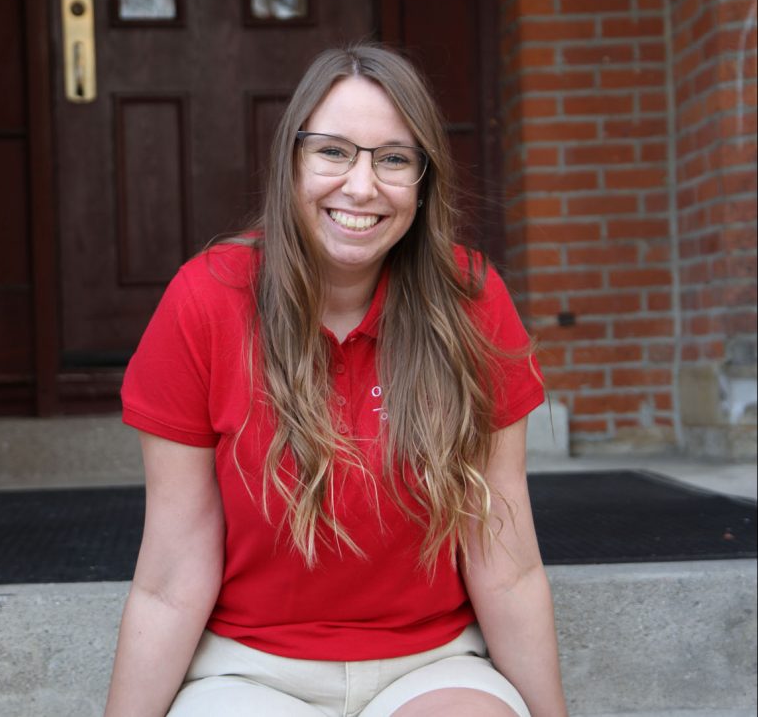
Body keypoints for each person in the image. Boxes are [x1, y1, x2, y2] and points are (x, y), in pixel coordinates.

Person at [104, 43, 568, 717]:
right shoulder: (205, 301)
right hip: (249, 673)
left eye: (393, 159)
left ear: (423, 181)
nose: (361, 185)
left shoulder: (472, 299)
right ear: (290, 162)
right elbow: (174, 573)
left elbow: (508, 558)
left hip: (434, 666)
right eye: (333, 151)